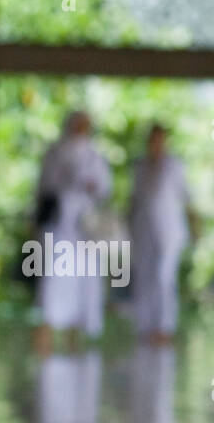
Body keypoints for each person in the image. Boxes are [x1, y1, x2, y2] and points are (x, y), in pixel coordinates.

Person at [33, 111, 112, 353]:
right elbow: (45, 186)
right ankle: (45, 334)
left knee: (83, 282)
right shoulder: (55, 153)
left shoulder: (94, 156)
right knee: (56, 277)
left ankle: (74, 337)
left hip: (85, 230)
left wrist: (92, 186)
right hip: (60, 227)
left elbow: (105, 188)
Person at [128, 123, 194, 345]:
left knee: (163, 276)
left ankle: (165, 327)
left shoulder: (174, 166)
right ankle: (145, 325)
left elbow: (187, 197)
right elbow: (133, 198)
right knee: (144, 275)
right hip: (143, 227)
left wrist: (195, 225)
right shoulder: (140, 167)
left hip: (169, 229)